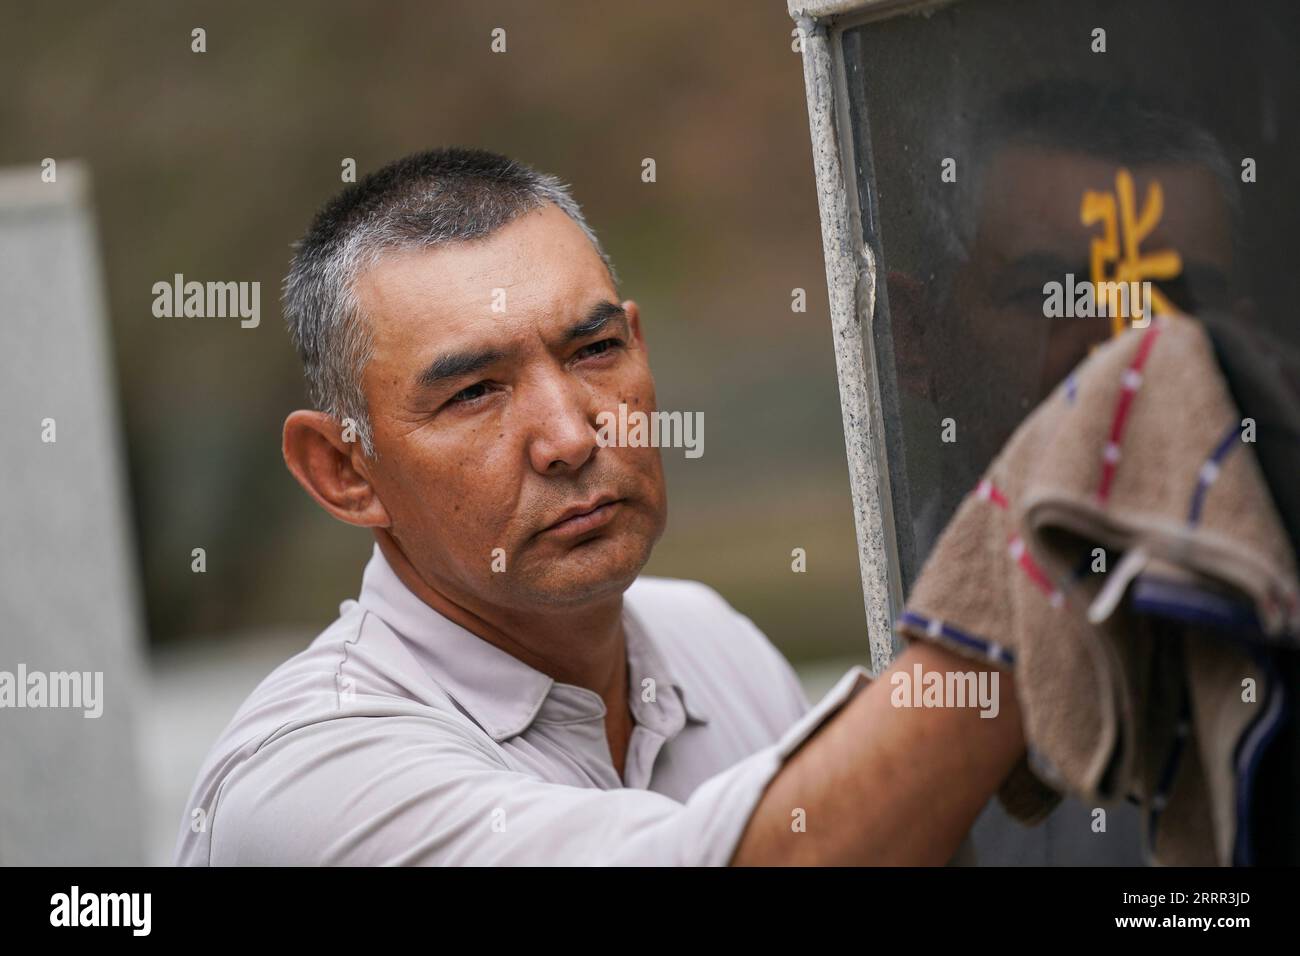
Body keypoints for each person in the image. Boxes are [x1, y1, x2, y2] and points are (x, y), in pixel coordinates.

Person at [172, 147, 1023, 866]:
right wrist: (1032, 579)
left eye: (594, 349)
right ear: (342, 470)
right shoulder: (308, 777)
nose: (571, 437)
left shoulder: (708, 642)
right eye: (474, 392)